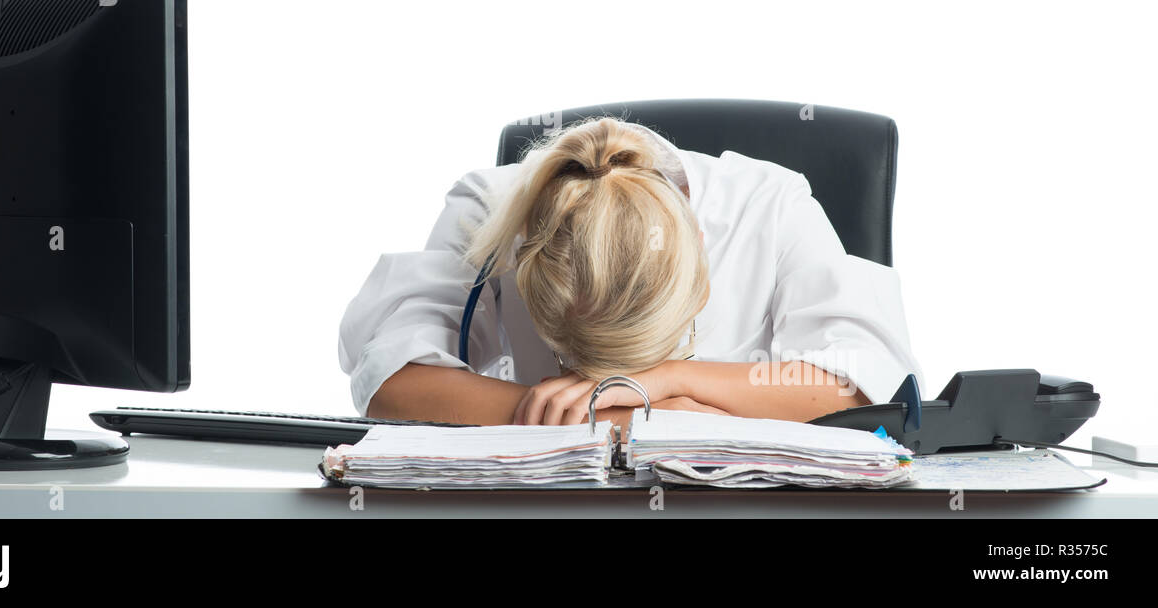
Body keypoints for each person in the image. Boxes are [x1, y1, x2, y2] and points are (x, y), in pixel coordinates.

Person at [338, 116, 923, 428]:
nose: (600, 384)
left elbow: (856, 383)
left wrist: (671, 381)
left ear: (700, 242)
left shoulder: (773, 206)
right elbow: (391, 377)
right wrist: (613, 419)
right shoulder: (488, 212)